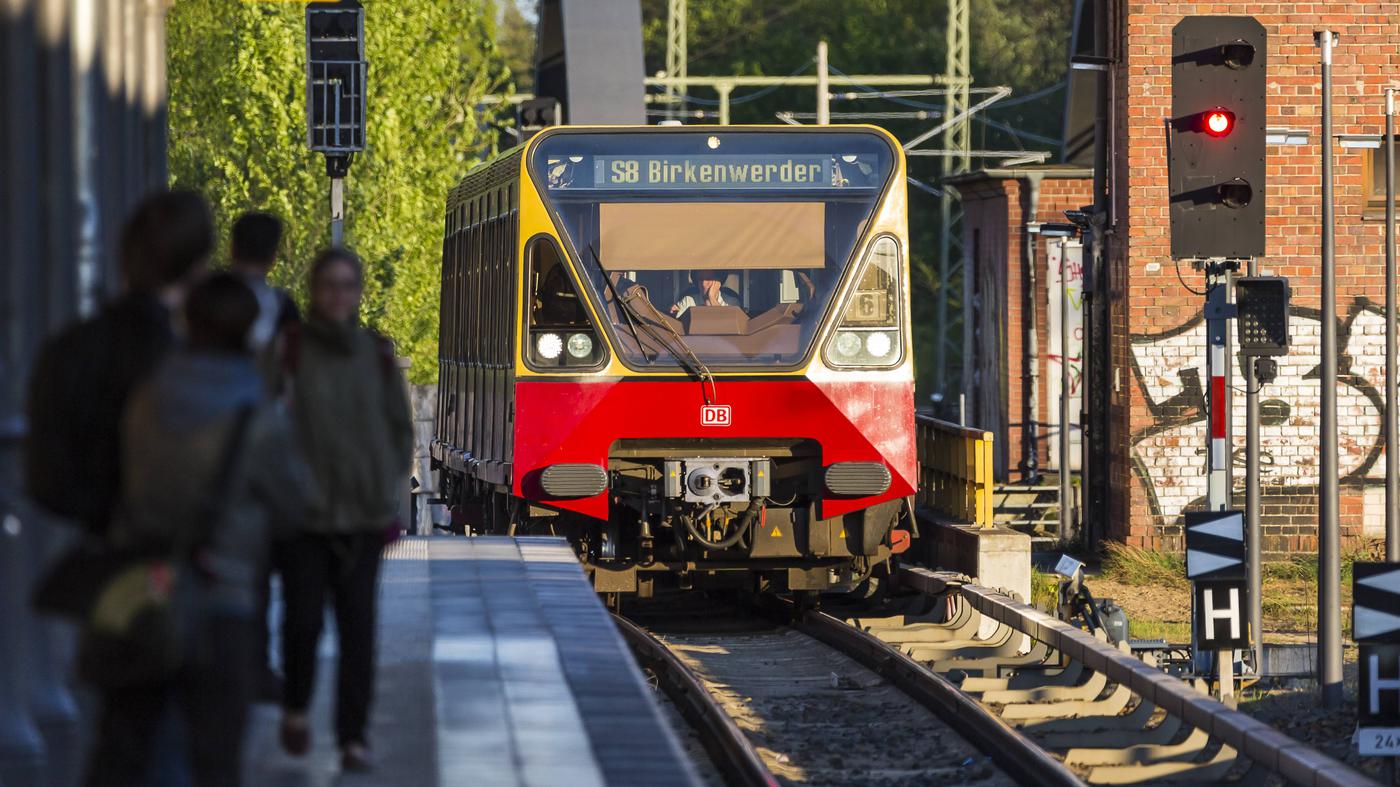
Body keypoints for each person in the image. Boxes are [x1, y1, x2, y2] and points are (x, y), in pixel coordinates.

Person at [87, 273, 316, 787]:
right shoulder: (259, 415)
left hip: (144, 590)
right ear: (251, 333)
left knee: (135, 743)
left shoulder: (144, 398)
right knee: (215, 752)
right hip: (223, 596)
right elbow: (293, 506)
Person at [277, 248, 413, 772]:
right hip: (302, 517)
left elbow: (399, 431)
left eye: (346, 286)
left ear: (357, 293)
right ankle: (294, 707)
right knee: (301, 623)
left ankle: (352, 737)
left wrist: (384, 493)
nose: (337, 295)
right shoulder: (288, 352)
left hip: (361, 517)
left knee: (359, 630)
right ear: (314, 290)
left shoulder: (375, 355)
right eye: (328, 285)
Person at [25, 190, 213, 534]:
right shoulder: (194, 365)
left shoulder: (70, 349)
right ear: (196, 268)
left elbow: (48, 483)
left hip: (102, 549)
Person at [228, 210, 300, 702]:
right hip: (264, 441)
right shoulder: (281, 306)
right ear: (275, 254)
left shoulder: (209, 299)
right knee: (262, 560)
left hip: (210, 434)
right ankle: (254, 664)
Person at [669, 269, 742, 317]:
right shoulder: (688, 300)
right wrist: (674, 312)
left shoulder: (731, 302)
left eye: (708, 279)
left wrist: (712, 299)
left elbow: (728, 325)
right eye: (700, 279)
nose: (703, 284)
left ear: (717, 282)